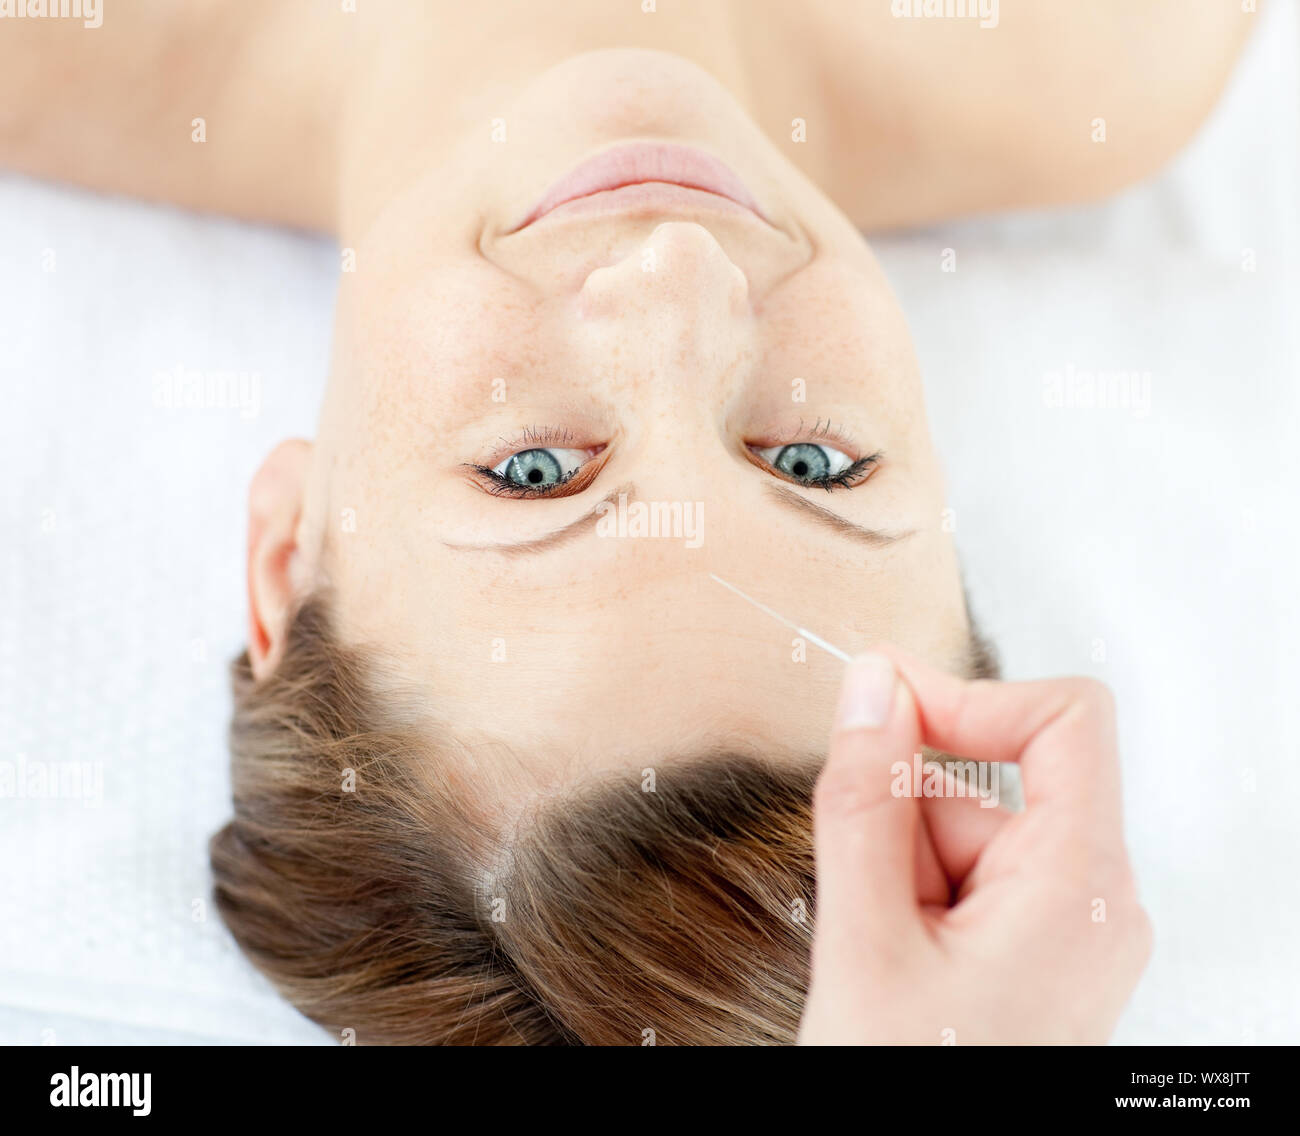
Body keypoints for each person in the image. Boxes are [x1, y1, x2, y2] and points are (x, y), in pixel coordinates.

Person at [1, 1, 1245, 1044]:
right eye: (816, 461)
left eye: (534, 471)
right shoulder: (1105, 50)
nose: (679, 281)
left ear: (289, 549)